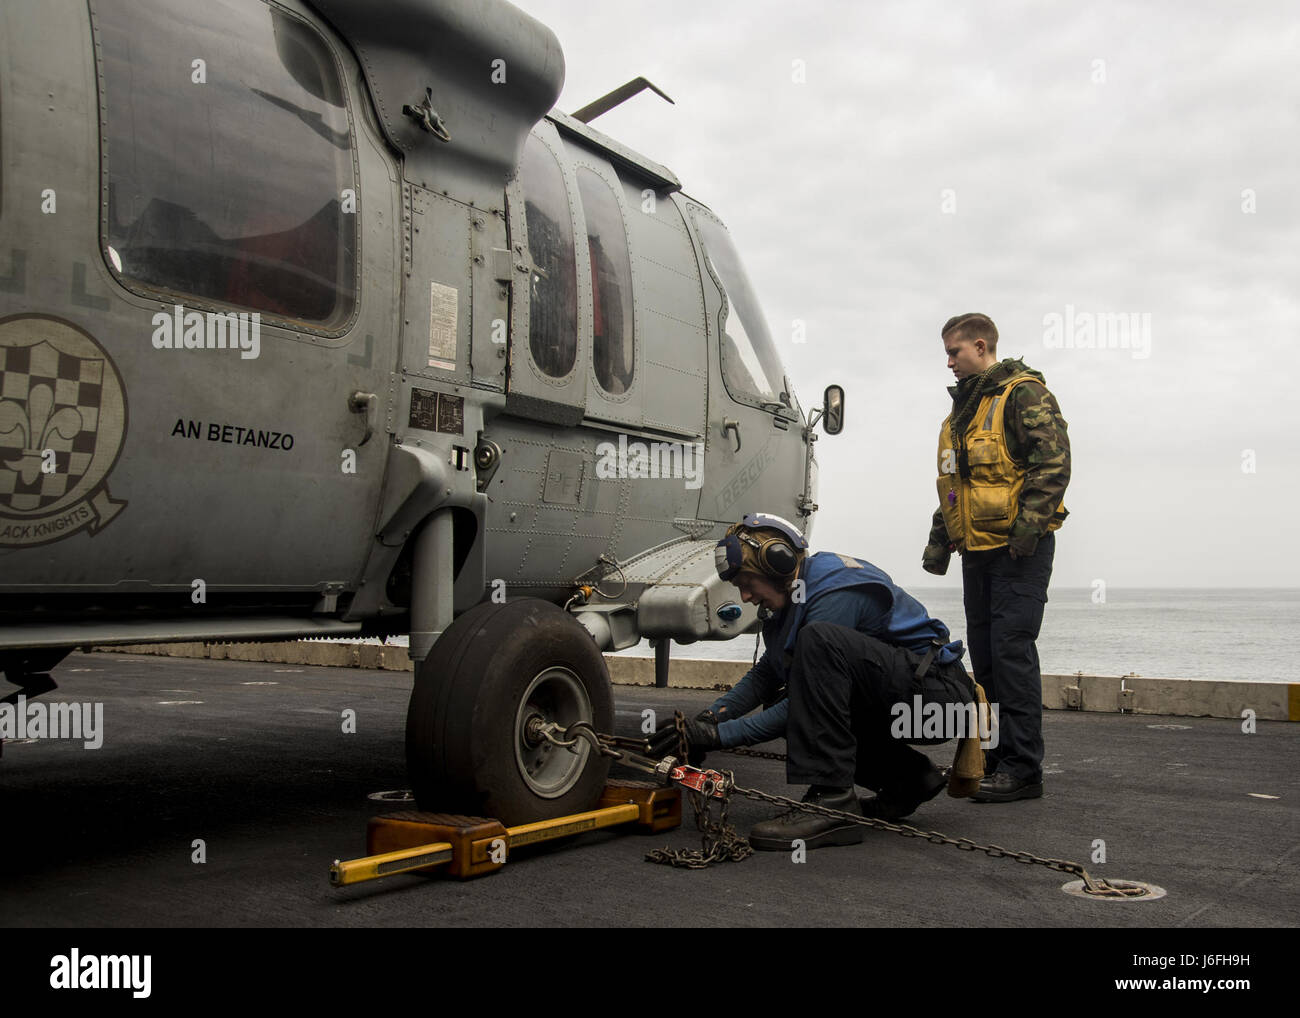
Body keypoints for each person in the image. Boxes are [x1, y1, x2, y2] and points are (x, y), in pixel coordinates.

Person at [652, 512, 976, 851]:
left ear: (777, 563)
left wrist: (718, 737)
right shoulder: (792, 602)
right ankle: (909, 781)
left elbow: (804, 703)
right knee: (790, 693)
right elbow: (766, 674)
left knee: (808, 672)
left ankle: (832, 800)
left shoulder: (832, 591)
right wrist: (706, 720)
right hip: (908, 700)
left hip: (938, 702)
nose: (745, 597)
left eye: (747, 582)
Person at [923, 312, 1070, 803]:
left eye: (955, 353)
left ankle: (1025, 770)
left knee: (1011, 655)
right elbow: (954, 487)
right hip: (977, 553)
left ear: (981, 347)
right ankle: (997, 759)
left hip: (1017, 553)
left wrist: (1025, 535)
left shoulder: (1022, 393)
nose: (948, 363)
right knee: (985, 662)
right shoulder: (961, 413)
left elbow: (1053, 463)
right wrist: (939, 543)